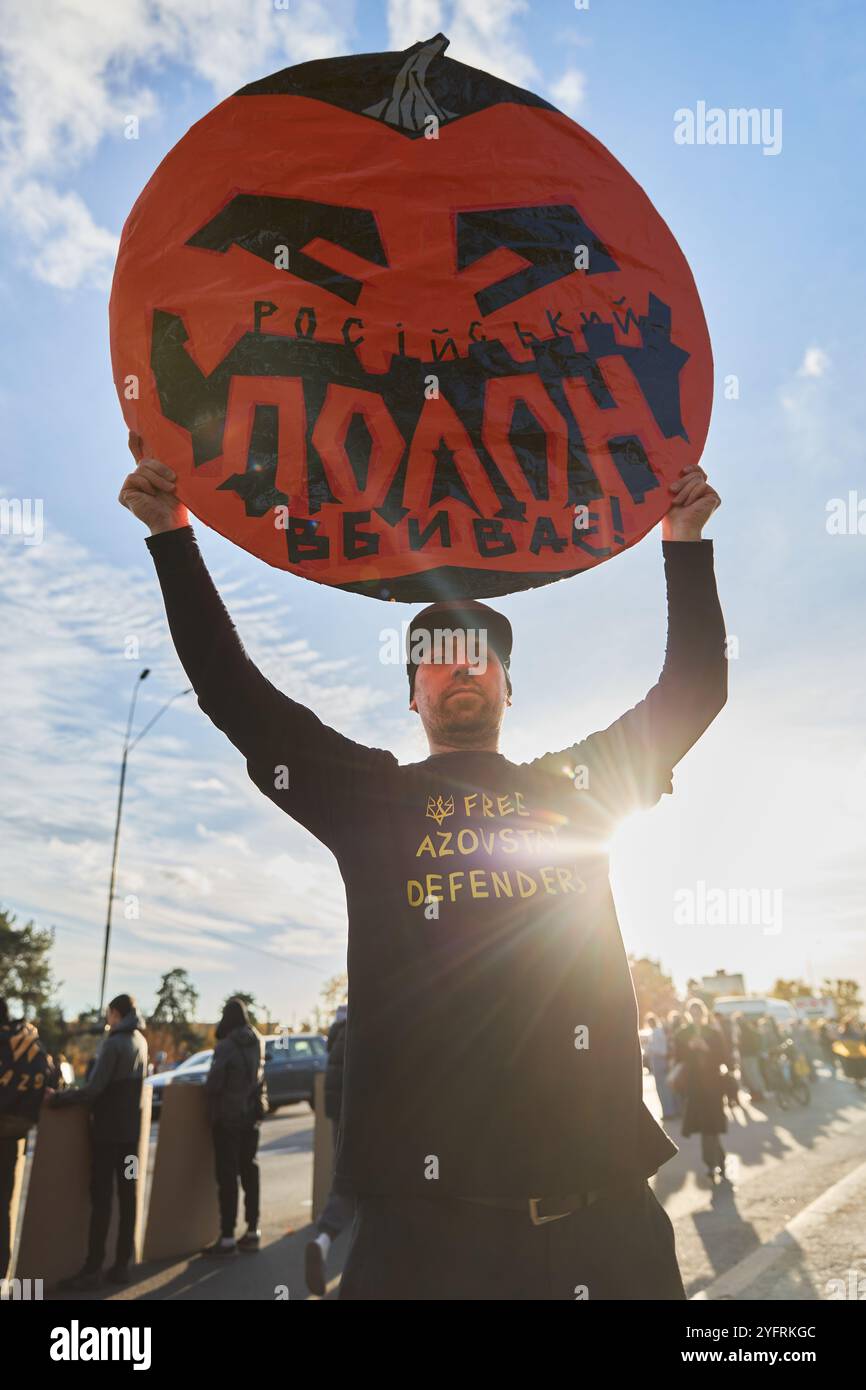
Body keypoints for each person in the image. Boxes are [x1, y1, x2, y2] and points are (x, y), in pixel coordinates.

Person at [122, 435, 725, 1301]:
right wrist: (173, 532)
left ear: (509, 688)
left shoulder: (581, 791)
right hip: (428, 1246)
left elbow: (696, 687)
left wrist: (683, 540)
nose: (460, 669)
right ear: (413, 694)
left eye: (481, 655)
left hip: (607, 1234)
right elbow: (236, 694)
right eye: (436, 658)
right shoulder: (370, 802)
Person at [50, 994, 148, 1288]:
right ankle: (122, 1264)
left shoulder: (114, 1043)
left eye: (109, 1014)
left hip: (108, 1136)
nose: (107, 1019)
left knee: (102, 1198)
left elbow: (93, 1089)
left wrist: (58, 1099)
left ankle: (92, 1268)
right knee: (128, 1196)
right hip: (131, 1137)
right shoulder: (141, 1041)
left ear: (116, 1014)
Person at [0, 999, 60, 1279]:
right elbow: (53, 1079)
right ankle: (3, 1271)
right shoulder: (27, 1039)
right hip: (15, 1134)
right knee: (4, 1205)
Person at [204, 997, 265, 1258]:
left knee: (227, 1177)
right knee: (250, 1170)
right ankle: (253, 1231)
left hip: (228, 1118)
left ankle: (227, 1236)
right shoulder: (258, 1042)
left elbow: (214, 1084)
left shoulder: (226, 1046)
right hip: (251, 1116)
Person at [305, 1003, 356, 1295]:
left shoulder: (335, 1038)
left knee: (345, 1177)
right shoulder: (357, 1032)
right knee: (363, 1185)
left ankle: (324, 1239)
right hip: (360, 1115)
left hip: (337, 1114)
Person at [674, 999, 728, 1183]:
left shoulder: (713, 1032)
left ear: (703, 1013)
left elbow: (724, 1057)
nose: (696, 1016)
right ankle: (714, 1162)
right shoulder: (682, 1033)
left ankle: (714, 1161)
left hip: (713, 1084)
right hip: (695, 1085)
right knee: (707, 1126)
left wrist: (706, 1048)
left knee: (712, 1125)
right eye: (693, 1012)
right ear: (689, 1014)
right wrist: (689, 1048)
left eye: (699, 1012)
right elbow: (677, 1057)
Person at [644, 1013, 677, 1121]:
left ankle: (668, 1111)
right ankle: (668, 1111)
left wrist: (650, 1049)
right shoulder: (657, 1032)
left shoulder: (657, 1032)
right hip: (658, 1060)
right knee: (662, 1087)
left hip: (659, 1060)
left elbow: (659, 1049)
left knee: (663, 1088)